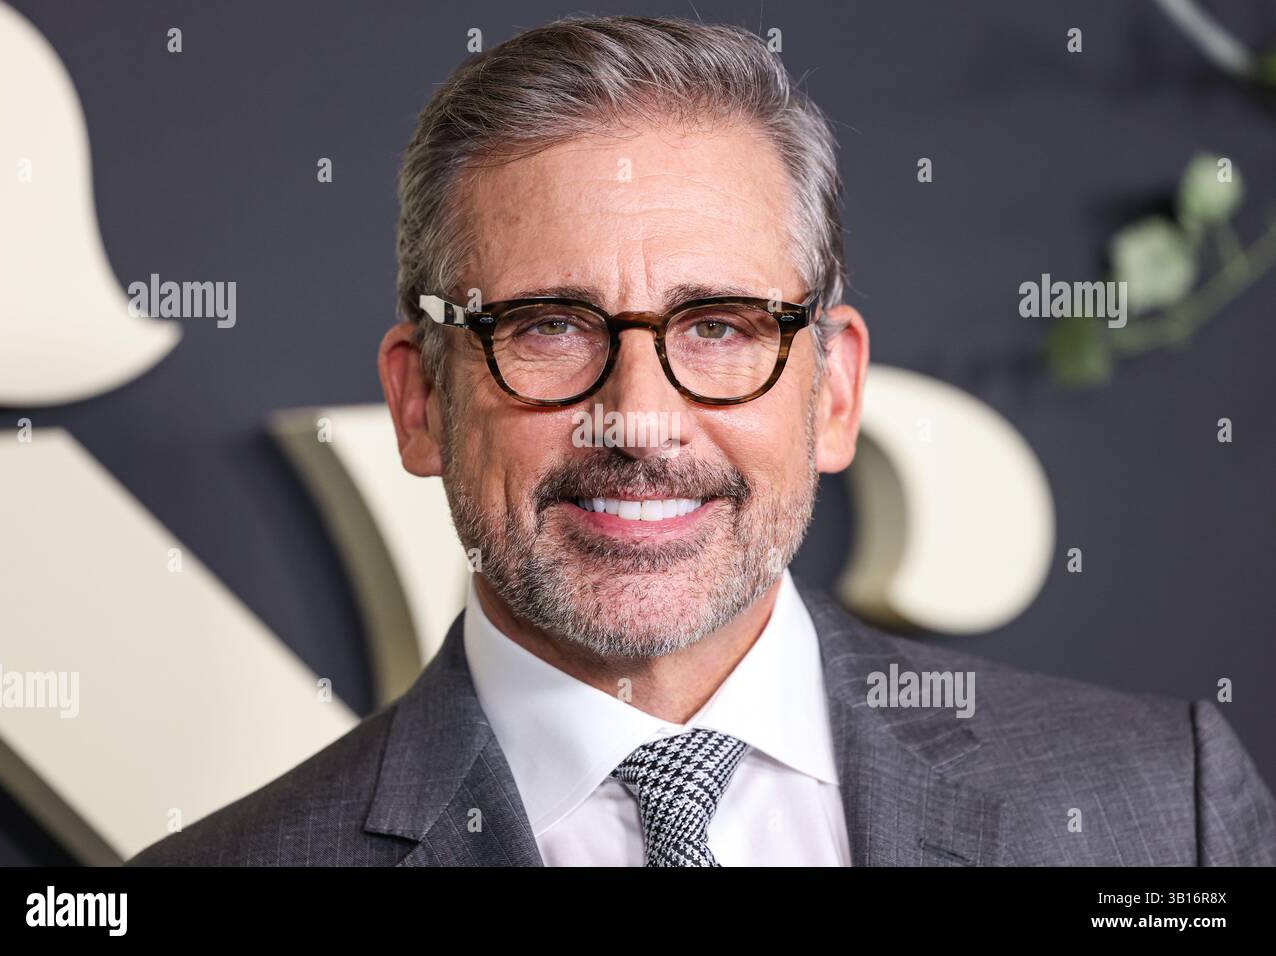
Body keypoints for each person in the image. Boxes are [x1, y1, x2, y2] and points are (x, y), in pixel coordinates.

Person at [128, 14, 1276, 867]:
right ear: (420, 401)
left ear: (832, 390)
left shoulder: (1156, 811)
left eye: (720, 326)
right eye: (548, 326)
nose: (638, 418)